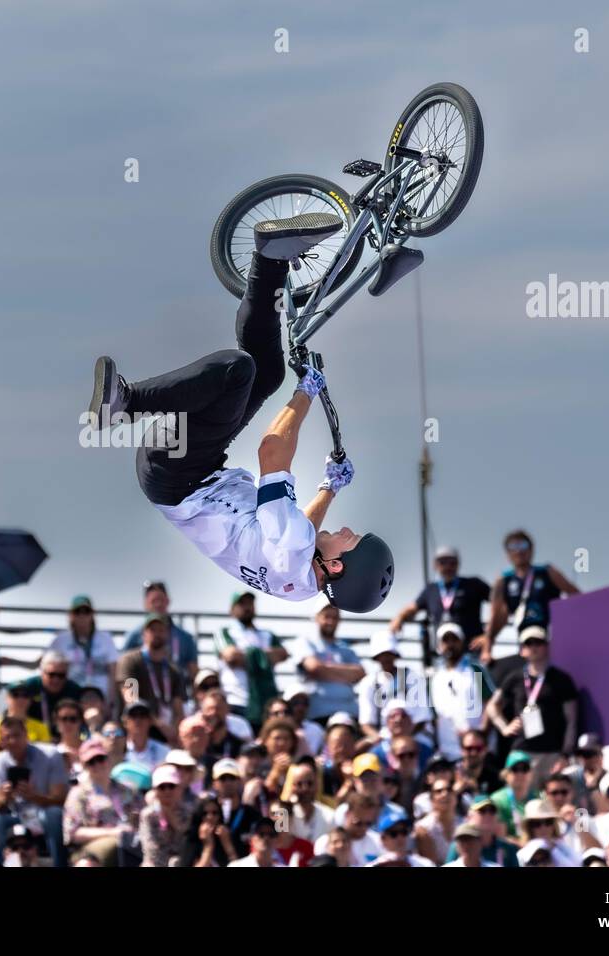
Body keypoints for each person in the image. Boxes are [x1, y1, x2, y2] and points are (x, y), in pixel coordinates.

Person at [87, 215, 395, 620]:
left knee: (238, 370)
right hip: (186, 472)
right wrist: (329, 488)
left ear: (336, 566)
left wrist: (307, 390)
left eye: (350, 539)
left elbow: (271, 451)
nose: (345, 530)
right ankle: (271, 258)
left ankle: (126, 403)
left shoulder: (295, 552)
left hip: (180, 473)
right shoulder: (301, 584)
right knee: (268, 373)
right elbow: (292, 526)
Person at [485, 625, 578, 790]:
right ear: (522, 650)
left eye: (538, 642)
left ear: (547, 647)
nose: (534, 647)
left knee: (554, 801)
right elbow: (492, 706)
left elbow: (572, 720)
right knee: (519, 802)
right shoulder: (514, 678)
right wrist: (504, 727)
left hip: (552, 753)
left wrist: (565, 755)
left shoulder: (561, 679)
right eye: (529, 644)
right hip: (521, 752)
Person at [480, 530, 580, 664]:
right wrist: (487, 649)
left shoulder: (547, 571)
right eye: (514, 547)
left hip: (550, 637)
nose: (519, 551)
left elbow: (575, 596)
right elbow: (497, 616)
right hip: (524, 641)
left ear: (531, 549)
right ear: (507, 554)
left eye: (523, 545)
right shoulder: (504, 580)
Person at [389, 546, 492, 667]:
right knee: (444, 684)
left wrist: (488, 635)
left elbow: (499, 604)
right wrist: (399, 618)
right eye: (443, 562)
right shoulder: (431, 590)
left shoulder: (473, 584)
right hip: (444, 657)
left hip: (472, 654)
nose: (447, 567)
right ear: (435, 565)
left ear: (458, 564)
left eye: (452, 562)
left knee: (478, 684)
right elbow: (412, 608)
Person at [0, 717, 68, 866]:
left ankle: (59, 864)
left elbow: (61, 798)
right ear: (1, 741)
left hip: (42, 812)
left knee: (53, 814)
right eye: (7, 737)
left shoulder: (50, 755)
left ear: (26, 735)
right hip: (14, 815)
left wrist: (34, 796)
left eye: (16, 735)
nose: (12, 741)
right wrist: (4, 797)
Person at [215, 592, 285, 732]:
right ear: (232, 609)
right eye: (242, 604)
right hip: (237, 702)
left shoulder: (268, 634)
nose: (247, 607)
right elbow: (231, 656)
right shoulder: (225, 632)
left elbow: (282, 654)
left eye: (250, 603)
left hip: (265, 704)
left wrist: (248, 655)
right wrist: (264, 655)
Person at [62, 738, 137, 866]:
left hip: (132, 842)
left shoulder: (128, 789)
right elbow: (72, 833)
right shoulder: (78, 794)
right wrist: (113, 832)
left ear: (108, 759)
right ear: (84, 765)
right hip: (93, 847)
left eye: (100, 759)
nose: (97, 765)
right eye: (91, 762)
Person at [114, 613, 187, 740]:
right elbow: (131, 699)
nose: (156, 633)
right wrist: (158, 723)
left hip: (165, 736)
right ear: (143, 634)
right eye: (152, 629)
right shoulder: (130, 660)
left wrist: (173, 732)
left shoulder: (173, 670)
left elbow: (178, 709)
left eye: (161, 630)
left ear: (167, 634)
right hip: (135, 732)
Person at [428, 622, 494, 761]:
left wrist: (482, 732)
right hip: (447, 752)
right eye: (446, 640)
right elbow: (434, 716)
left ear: (462, 642)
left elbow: (491, 703)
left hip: (477, 750)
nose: (450, 644)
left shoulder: (476, 669)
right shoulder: (434, 677)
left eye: (454, 640)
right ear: (439, 645)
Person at [288, 603, 365, 723]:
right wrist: (346, 673)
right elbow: (314, 668)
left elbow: (360, 673)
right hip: (318, 716)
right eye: (327, 616)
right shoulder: (305, 642)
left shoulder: (346, 648)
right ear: (317, 617)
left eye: (335, 617)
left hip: (349, 716)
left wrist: (324, 669)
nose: (331, 621)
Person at [357, 631, 430, 745]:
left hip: (415, 738)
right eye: (382, 654)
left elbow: (422, 719)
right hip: (383, 740)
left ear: (395, 655)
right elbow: (366, 723)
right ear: (376, 657)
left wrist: (402, 741)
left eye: (389, 654)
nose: (386, 658)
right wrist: (380, 740)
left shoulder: (413, 677)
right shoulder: (368, 683)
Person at [46, 594, 120, 700]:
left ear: (92, 615)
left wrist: (111, 701)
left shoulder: (105, 638)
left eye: (86, 611)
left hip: (100, 696)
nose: (82, 616)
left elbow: (114, 671)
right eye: (77, 612)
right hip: (71, 696)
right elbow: (44, 666)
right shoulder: (61, 640)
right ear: (70, 615)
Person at [121, 581, 199, 681]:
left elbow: (193, 671)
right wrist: (131, 695)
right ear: (145, 604)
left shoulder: (185, 637)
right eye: (153, 601)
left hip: (178, 693)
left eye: (161, 600)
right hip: (144, 692)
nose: (158, 604)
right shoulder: (133, 636)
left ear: (168, 601)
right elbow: (125, 671)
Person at [17, 653, 85, 739]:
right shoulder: (28, 687)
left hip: (66, 739)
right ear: (42, 672)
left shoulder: (74, 690)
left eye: (61, 675)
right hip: (33, 737)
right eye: (51, 674)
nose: (56, 679)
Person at [138, 764, 190, 866]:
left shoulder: (188, 812)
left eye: (171, 786)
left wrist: (175, 823)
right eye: (162, 787)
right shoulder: (149, 815)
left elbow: (188, 845)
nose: (167, 791)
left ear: (179, 788)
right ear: (155, 790)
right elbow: (151, 849)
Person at [0, 682, 53, 748]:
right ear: (7, 698)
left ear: (30, 699)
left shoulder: (41, 727)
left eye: (25, 695)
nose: (20, 699)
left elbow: (46, 752)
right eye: (15, 695)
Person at [488, 750, 536, 838]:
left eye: (525, 769)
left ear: (531, 773)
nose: (520, 774)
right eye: (515, 769)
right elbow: (501, 838)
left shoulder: (538, 797)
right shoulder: (497, 800)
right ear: (506, 774)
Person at [286, 761, 335, 843]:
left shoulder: (329, 816)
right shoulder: (284, 816)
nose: (305, 788)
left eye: (309, 783)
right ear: (292, 787)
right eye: (299, 784)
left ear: (317, 785)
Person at [414, 778, 460, 864]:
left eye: (449, 790)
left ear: (455, 797)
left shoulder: (464, 823)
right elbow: (431, 864)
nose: (445, 794)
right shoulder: (424, 828)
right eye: (439, 791)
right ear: (432, 800)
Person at [121, 700, 170, 771]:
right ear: (125, 722)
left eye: (143, 715)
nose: (138, 719)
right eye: (133, 716)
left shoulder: (163, 751)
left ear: (150, 721)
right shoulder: (120, 751)